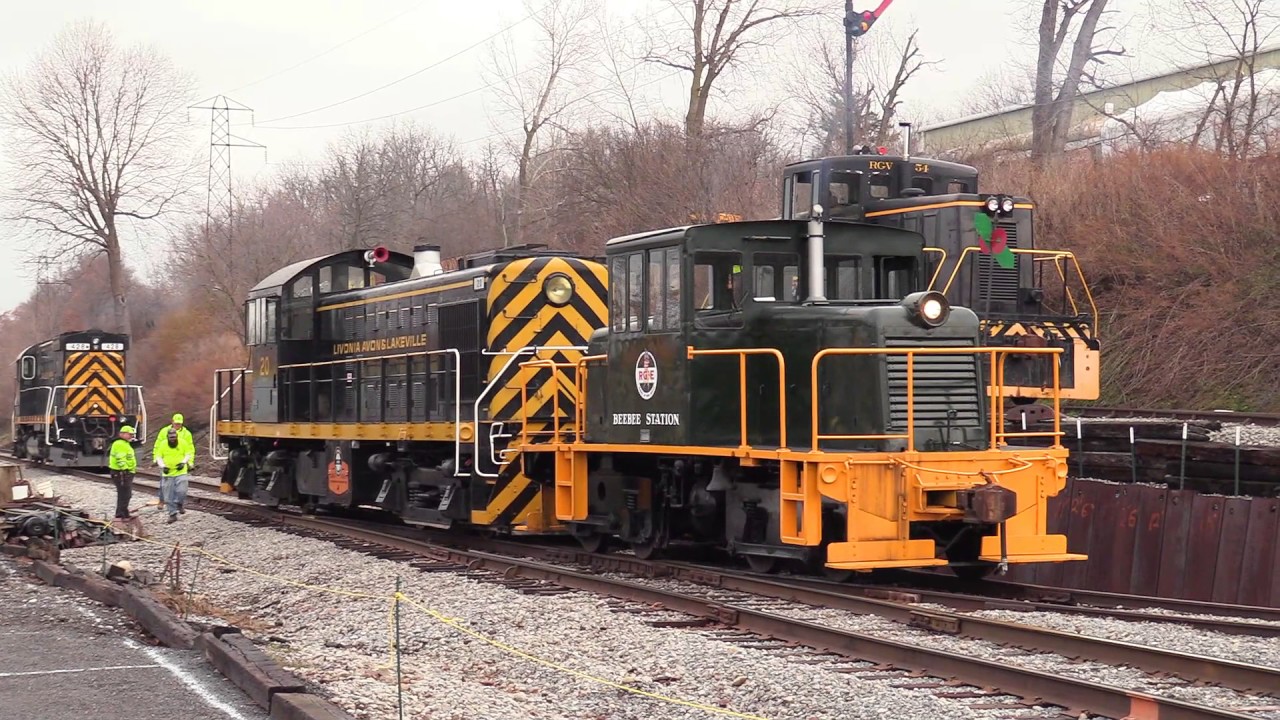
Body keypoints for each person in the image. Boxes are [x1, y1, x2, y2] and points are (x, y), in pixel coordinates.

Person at [154, 428, 191, 523]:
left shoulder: (183, 443)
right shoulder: (163, 444)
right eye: (170, 437)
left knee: (182, 491)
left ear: (177, 436)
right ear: (167, 437)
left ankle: (179, 503)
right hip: (168, 473)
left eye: (174, 437)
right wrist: (163, 466)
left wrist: (183, 462)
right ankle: (172, 514)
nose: (172, 439)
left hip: (181, 472)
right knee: (167, 496)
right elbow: (158, 457)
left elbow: (188, 454)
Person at [108, 426, 137, 521]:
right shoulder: (120, 444)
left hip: (123, 472)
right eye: (129, 434)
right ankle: (121, 514)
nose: (131, 436)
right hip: (121, 472)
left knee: (124, 493)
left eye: (132, 435)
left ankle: (123, 512)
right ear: (122, 434)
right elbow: (120, 458)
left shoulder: (124, 443)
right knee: (125, 493)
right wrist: (124, 470)